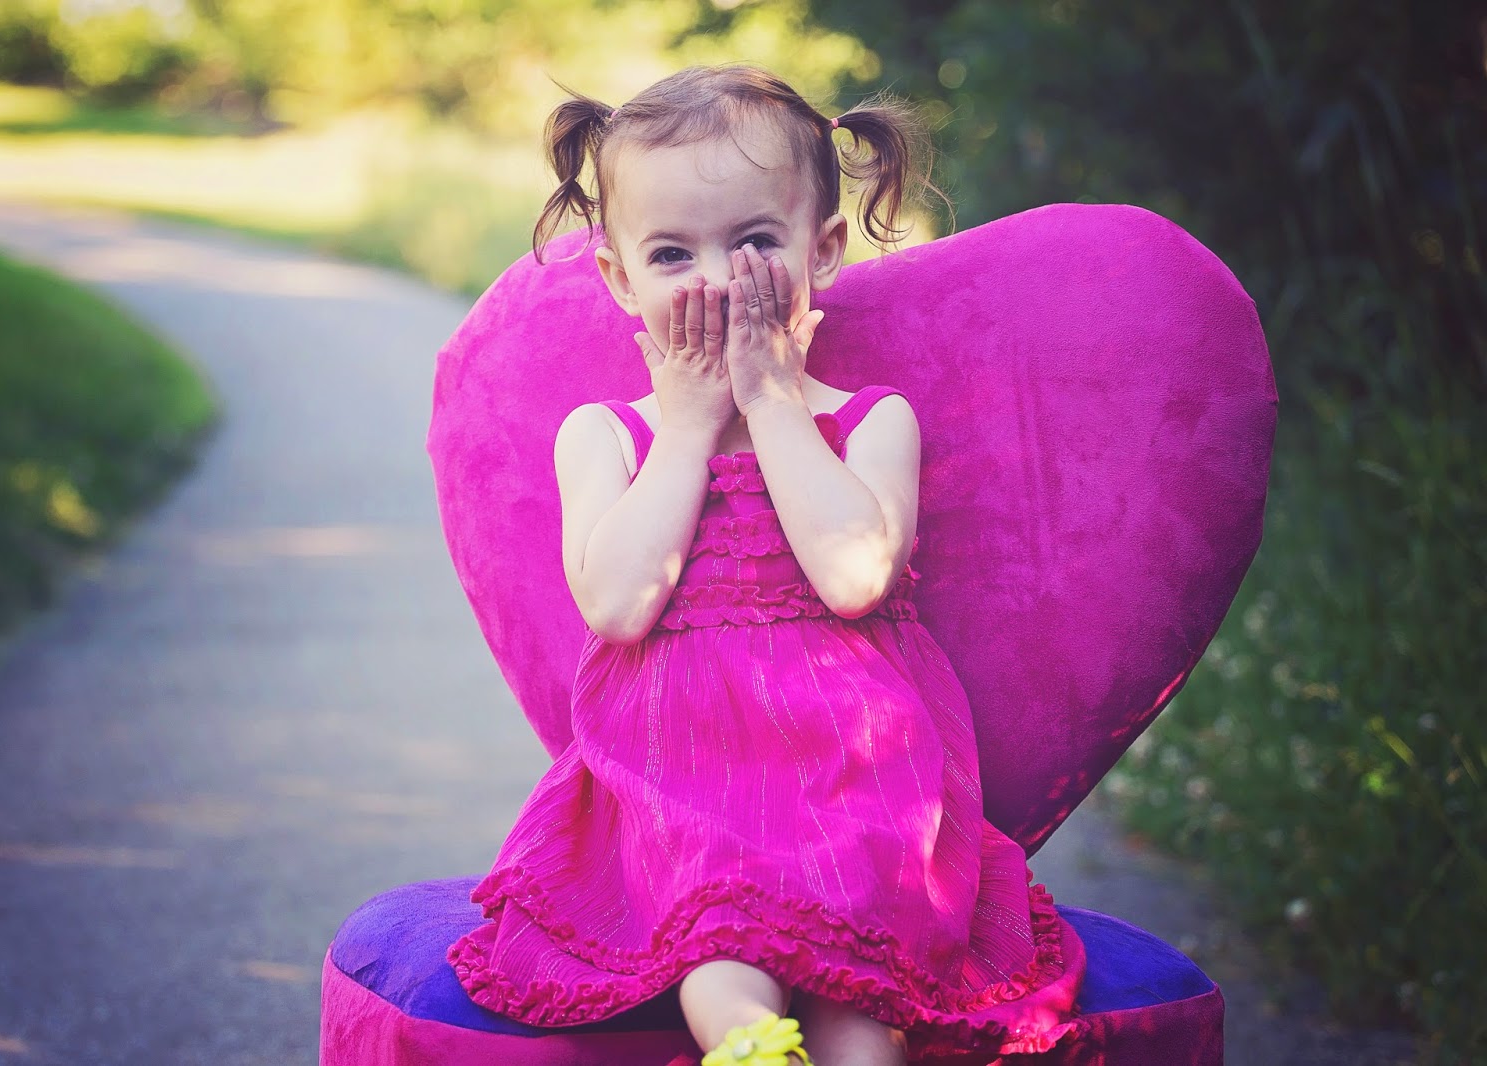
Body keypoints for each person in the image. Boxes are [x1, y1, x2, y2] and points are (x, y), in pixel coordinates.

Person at [447, 64, 1085, 1066]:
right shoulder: (607, 435)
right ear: (618, 278)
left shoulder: (868, 423)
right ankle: (750, 1046)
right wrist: (688, 430)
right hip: (679, 770)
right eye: (671, 253)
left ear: (820, 251)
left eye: (752, 243)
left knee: (860, 967)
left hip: (849, 770)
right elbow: (616, 605)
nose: (714, 280)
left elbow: (852, 579)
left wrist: (774, 403)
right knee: (715, 937)